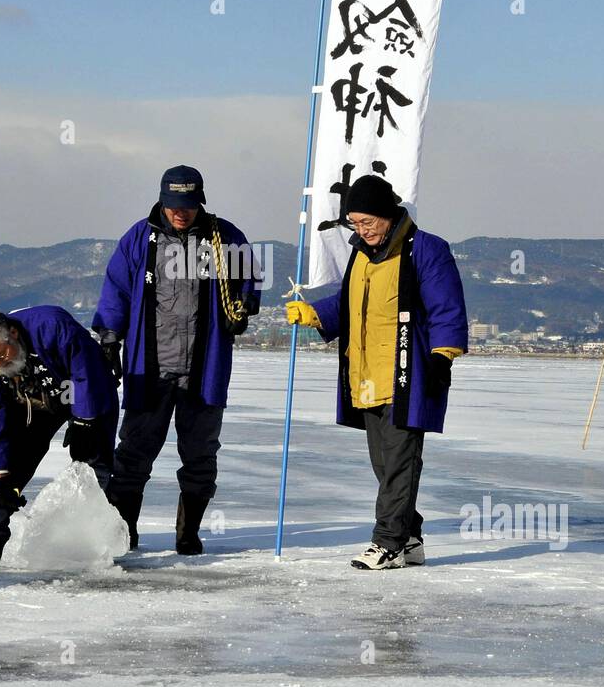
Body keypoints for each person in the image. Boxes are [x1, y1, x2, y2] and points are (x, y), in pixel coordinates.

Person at [285, 174, 468, 570]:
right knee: (385, 466)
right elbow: (350, 301)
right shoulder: (362, 255)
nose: (362, 230)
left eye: (367, 221)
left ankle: (387, 542)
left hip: (409, 375)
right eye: (354, 223)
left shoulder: (426, 250)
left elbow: (446, 306)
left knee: (401, 462)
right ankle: (411, 536)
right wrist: (315, 312)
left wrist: (443, 354)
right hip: (365, 374)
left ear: (388, 215)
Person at [92, 165, 261, 554]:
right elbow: (115, 289)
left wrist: (246, 303)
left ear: (199, 201)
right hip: (148, 367)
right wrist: (109, 338)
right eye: (173, 206)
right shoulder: (139, 238)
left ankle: (188, 532)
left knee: (201, 453)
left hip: (205, 368)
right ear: (162, 201)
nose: (180, 213)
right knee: (133, 452)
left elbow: (249, 276)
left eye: (187, 205)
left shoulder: (225, 237)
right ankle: (125, 531)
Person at [0, 306, 120, 561]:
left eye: (0, 357)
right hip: (33, 402)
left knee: (93, 464)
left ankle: (94, 539)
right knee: (4, 470)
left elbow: (86, 373)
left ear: (13, 333)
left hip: (84, 389)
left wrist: (84, 421)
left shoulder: (52, 328)